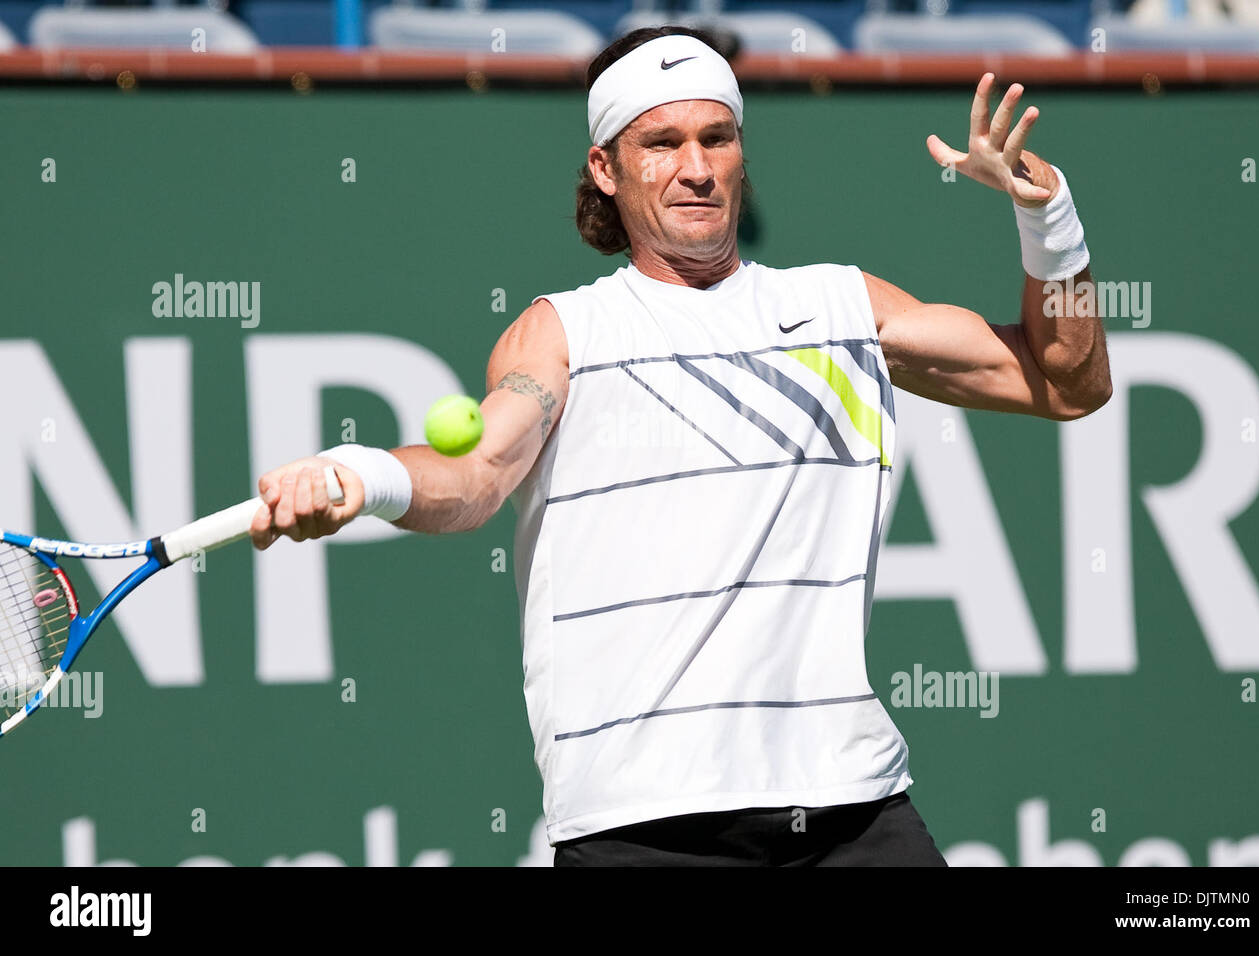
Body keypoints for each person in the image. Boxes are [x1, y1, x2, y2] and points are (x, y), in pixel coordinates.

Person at [251, 27, 1111, 867]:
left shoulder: (844, 309)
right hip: (642, 826)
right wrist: (358, 474)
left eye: (717, 138)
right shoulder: (564, 333)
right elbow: (476, 475)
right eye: (661, 143)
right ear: (605, 168)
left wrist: (1051, 221)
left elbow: (1069, 381)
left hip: (852, 807)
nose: (697, 168)